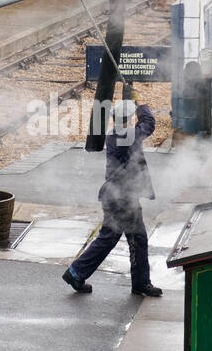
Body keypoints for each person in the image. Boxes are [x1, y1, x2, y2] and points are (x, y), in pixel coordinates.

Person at [62, 89, 162, 298]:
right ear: (128, 119)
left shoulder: (115, 135)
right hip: (122, 198)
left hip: (119, 196)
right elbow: (149, 124)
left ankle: (78, 273)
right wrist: (141, 104)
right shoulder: (128, 136)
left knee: (119, 238)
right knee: (130, 239)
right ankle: (138, 283)